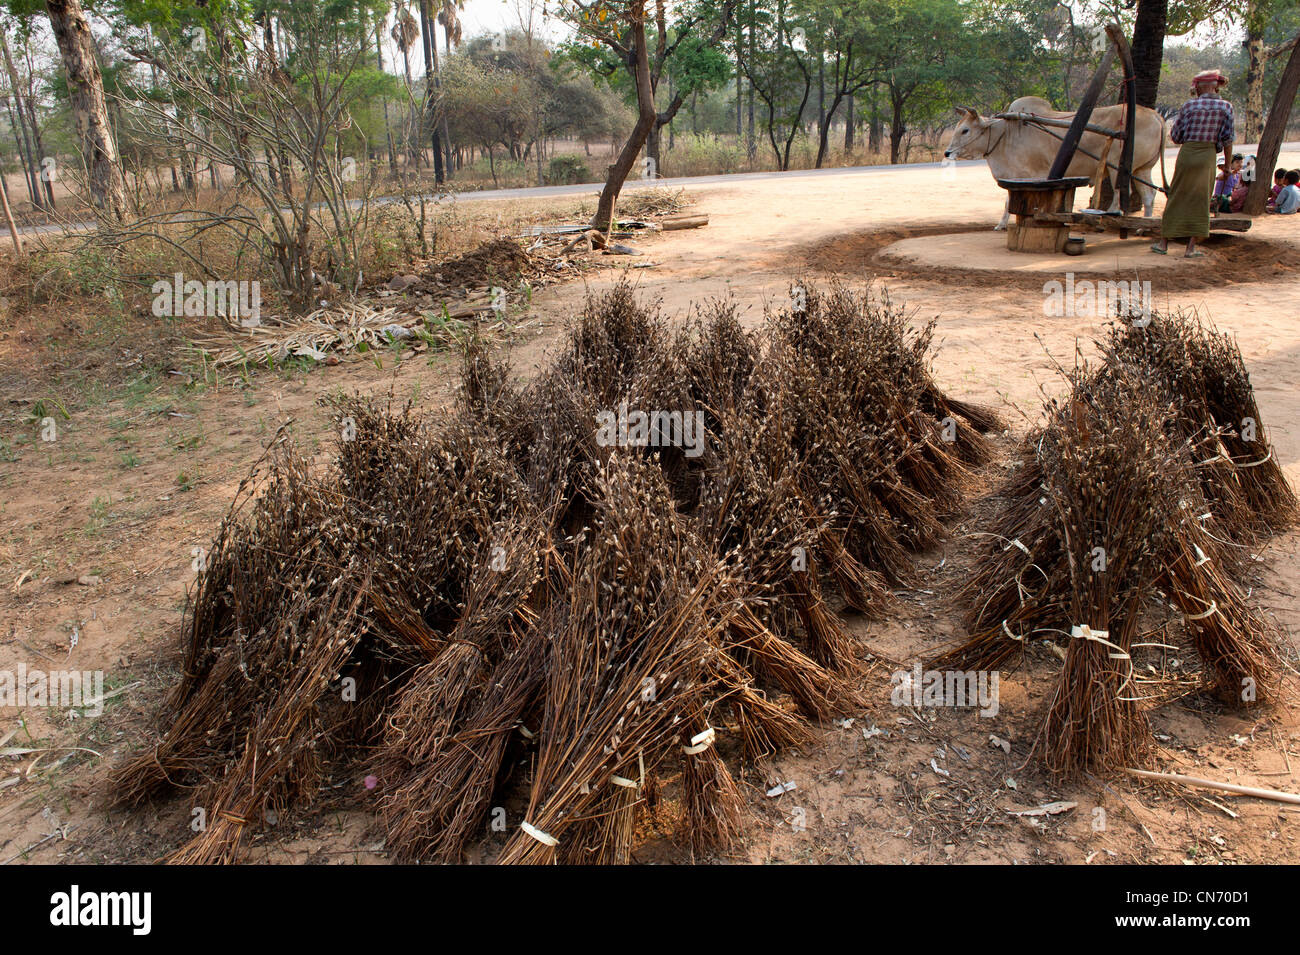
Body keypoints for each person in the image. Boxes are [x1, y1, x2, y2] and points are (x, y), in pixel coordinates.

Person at [1153, 70, 1235, 258]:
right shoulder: (1226, 107)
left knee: (1177, 195)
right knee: (1201, 200)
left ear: (1199, 88)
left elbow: (1175, 137)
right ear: (1215, 87)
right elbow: (1228, 140)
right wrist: (1228, 166)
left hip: (1187, 154)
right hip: (1207, 156)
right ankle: (1190, 248)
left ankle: (1163, 243)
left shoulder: (1189, 106)